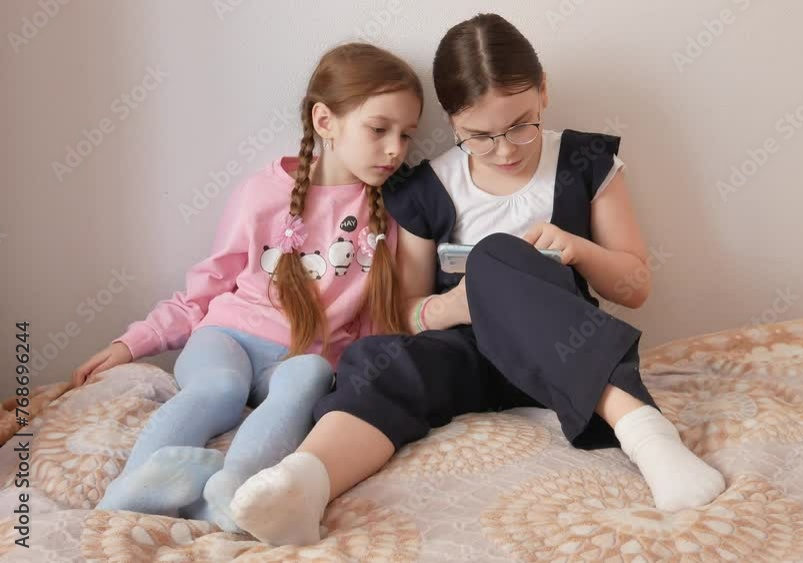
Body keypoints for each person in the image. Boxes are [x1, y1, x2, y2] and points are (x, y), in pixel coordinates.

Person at [230, 14, 726, 546]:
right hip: (464, 356)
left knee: (495, 255)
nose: (506, 150)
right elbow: (402, 309)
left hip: (562, 352)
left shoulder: (586, 162)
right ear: (452, 122)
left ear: (543, 93)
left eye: (521, 124)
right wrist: (459, 307)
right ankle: (307, 481)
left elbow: (635, 286)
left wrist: (579, 250)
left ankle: (649, 435)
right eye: (479, 137)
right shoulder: (428, 187)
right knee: (378, 359)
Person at [72, 43, 422, 532]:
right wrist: (133, 342)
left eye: (406, 135)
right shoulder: (262, 193)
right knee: (220, 386)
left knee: (305, 382)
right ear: (325, 121)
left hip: (304, 356)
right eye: (379, 129)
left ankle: (232, 493)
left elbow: (376, 321)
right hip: (228, 338)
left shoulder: (392, 212)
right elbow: (208, 284)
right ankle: (131, 492)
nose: (396, 150)